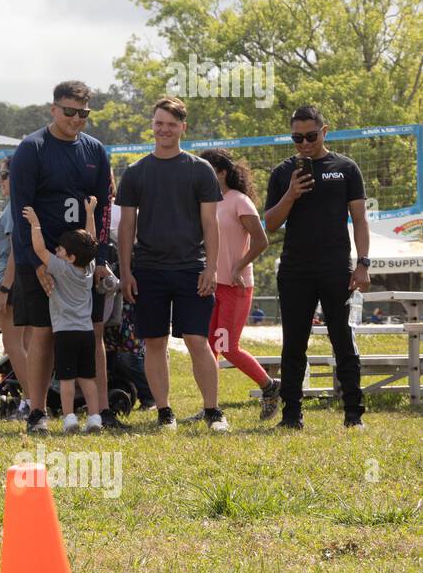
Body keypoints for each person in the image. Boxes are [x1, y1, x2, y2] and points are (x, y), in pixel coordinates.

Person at [9, 81, 121, 432]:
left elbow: (103, 210)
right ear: (54, 109)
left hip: (84, 262)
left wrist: (100, 258)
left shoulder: (96, 151)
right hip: (44, 255)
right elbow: (21, 209)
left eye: (83, 113)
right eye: (69, 111)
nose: (76, 119)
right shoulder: (32, 148)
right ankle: (38, 412)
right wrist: (39, 262)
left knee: (93, 333)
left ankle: (99, 412)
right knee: (43, 332)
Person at [116, 97, 224, 431]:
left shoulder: (199, 169)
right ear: (152, 124)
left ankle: (213, 411)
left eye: (171, 124)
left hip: (192, 268)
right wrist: (126, 272)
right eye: (159, 123)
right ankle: (164, 411)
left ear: (183, 128)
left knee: (196, 340)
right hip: (148, 269)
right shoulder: (136, 172)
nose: (164, 129)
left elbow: (211, 224)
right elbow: (126, 226)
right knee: (155, 342)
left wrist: (211, 267)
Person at [263, 105, 370, 430]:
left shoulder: (346, 168)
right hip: (295, 270)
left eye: (310, 136)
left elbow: (361, 220)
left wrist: (363, 263)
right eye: (297, 138)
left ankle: (354, 415)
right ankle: (291, 415)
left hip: (336, 269)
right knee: (294, 343)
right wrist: (291, 195)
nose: (305, 143)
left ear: (325, 131)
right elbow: (269, 223)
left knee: (343, 340)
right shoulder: (283, 173)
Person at [198, 148, 280, 419]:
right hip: (211, 285)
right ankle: (211, 408)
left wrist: (239, 266)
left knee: (226, 347)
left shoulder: (239, 201)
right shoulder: (205, 201)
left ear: (221, 172)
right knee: (209, 347)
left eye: (206, 168)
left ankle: (270, 387)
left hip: (236, 286)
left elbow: (261, 240)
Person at [23, 197, 104, 432]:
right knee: (88, 378)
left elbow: (39, 249)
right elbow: (91, 240)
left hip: (65, 332)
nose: (55, 251)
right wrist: (89, 213)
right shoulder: (88, 267)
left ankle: (69, 417)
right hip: (86, 332)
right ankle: (95, 417)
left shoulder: (61, 268)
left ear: (70, 257)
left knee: (67, 379)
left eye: (59, 249)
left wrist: (35, 223)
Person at [0, 159, 31, 417]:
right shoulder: (15, 205)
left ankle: (33, 402)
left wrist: (4, 288)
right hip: (19, 282)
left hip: (14, 283)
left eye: (4, 175)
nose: (0, 180)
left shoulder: (16, 206)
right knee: (25, 345)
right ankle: (34, 400)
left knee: (14, 344)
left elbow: (16, 250)